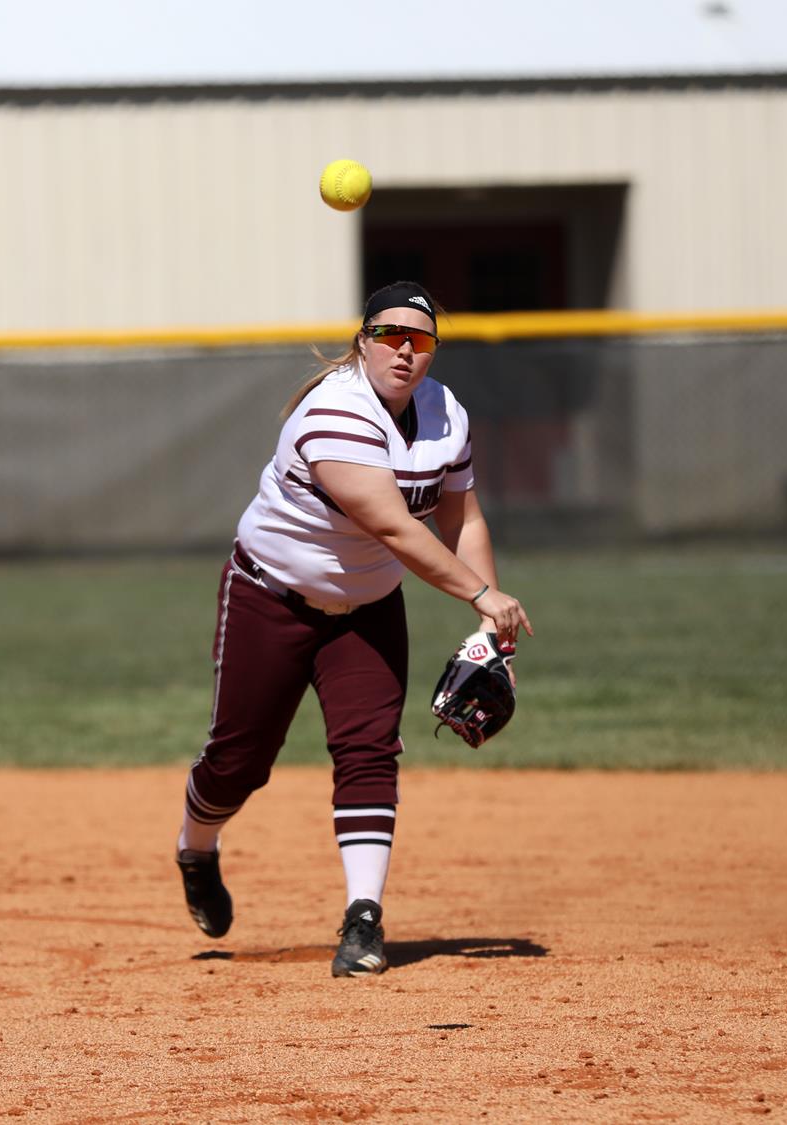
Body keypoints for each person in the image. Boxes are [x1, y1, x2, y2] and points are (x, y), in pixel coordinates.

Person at [171, 281, 533, 977]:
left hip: (366, 608)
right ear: (362, 341)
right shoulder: (333, 410)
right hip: (269, 598)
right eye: (390, 334)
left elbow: (462, 518)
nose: (404, 348)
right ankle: (196, 846)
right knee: (239, 761)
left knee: (369, 749)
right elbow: (396, 527)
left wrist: (491, 628)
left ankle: (363, 919)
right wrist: (486, 593)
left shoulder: (444, 413)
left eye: (420, 338)